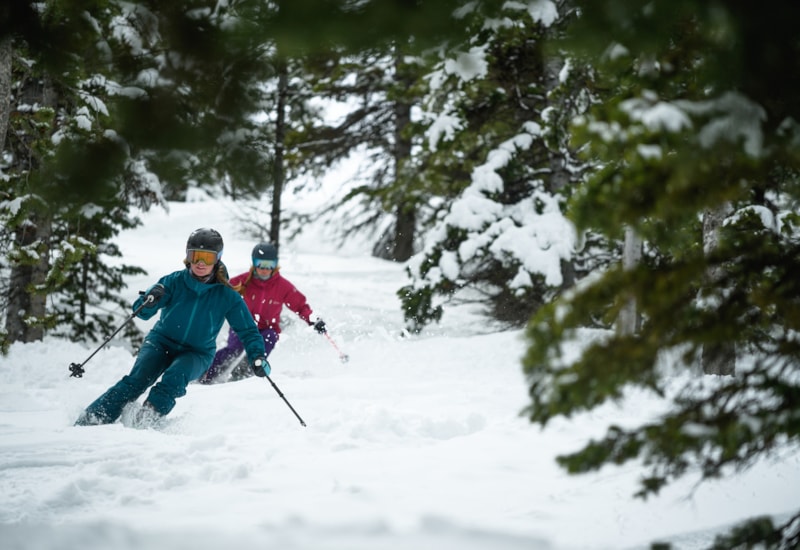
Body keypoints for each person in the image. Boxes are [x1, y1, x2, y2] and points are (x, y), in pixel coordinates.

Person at [75, 228, 270, 426]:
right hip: (161, 342)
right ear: (188, 256)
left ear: (217, 259)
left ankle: (145, 423)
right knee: (137, 380)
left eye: (207, 258)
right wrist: (150, 299)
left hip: (197, 352)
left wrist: (258, 356)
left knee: (174, 379)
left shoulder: (227, 295)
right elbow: (141, 313)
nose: (200, 263)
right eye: (195, 256)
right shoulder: (174, 282)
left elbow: (248, 331)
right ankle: (92, 420)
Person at [198, 241, 327, 384]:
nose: (264, 269)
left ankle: (242, 374)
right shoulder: (242, 281)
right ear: (254, 263)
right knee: (234, 349)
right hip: (242, 325)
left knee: (266, 341)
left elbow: (300, 306)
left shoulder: (283, 286)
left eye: (269, 265)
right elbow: (219, 294)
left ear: (275, 265)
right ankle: (205, 374)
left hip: (267, 328)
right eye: (260, 264)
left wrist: (313, 320)